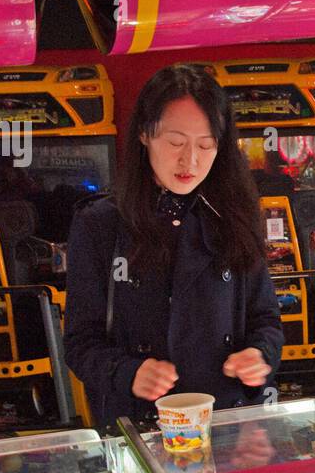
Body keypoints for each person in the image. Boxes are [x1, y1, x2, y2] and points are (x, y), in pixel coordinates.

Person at [64, 64, 283, 428]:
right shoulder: (99, 223)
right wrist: (127, 371)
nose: (190, 161)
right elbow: (79, 343)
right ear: (145, 134)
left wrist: (260, 355)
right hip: (140, 425)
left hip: (231, 422)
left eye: (206, 145)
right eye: (176, 143)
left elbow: (267, 320)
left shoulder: (234, 214)